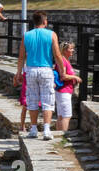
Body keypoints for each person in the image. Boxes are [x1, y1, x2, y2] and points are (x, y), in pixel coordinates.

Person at [14, 12, 67, 140]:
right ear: (45, 21)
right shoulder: (51, 35)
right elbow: (57, 55)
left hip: (31, 70)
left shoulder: (26, 36)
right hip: (46, 70)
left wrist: (18, 73)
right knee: (47, 100)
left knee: (32, 99)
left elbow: (21, 57)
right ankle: (47, 129)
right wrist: (62, 71)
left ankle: (33, 128)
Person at [53, 41, 81, 138]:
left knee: (61, 115)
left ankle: (58, 134)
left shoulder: (64, 60)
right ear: (65, 50)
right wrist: (75, 78)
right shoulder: (63, 61)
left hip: (62, 92)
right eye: (70, 48)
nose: (72, 50)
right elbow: (63, 76)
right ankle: (63, 135)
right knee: (66, 116)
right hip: (64, 91)